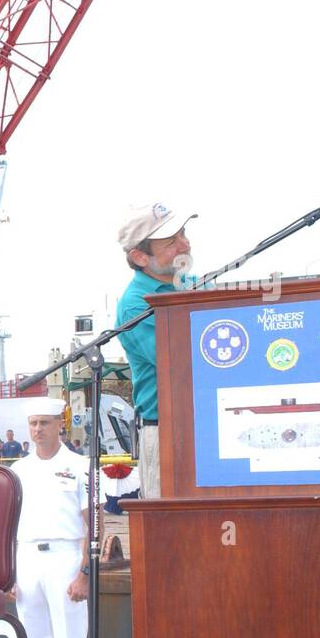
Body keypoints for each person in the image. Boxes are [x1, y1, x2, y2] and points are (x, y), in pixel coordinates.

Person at [9, 398, 93, 638]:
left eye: (45, 422)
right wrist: (9, 575)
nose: (37, 429)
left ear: (61, 424)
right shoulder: (17, 470)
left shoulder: (81, 466)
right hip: (27, 558)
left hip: (65, 557)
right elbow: (6, 527)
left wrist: (84, 573)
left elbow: (94, 525)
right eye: (33, 423)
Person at [115, 202, 197, 498]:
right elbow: (181, 361)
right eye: (171, 241)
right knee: (170, 533)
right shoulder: (136, 305)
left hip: (207, 423)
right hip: (166, 431)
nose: (185, 244)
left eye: (183, 234)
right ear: (139, 256)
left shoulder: (191, 285)